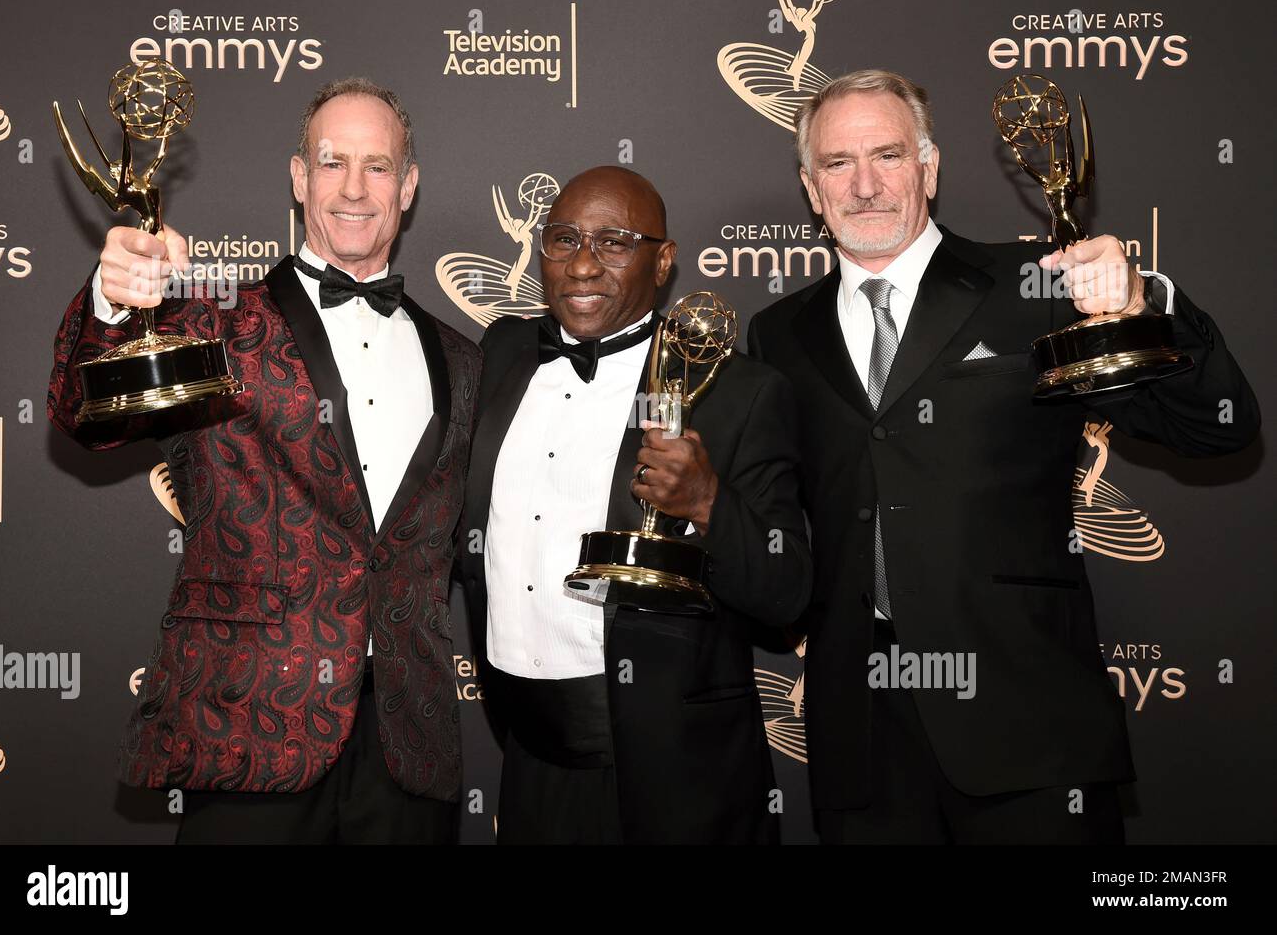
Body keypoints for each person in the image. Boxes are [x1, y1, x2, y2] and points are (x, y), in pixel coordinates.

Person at [748, 69, 1260, 844]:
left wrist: (1146, 304)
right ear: (810, 188)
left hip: (1027, 715)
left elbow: (1215, 429)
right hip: (863, 732)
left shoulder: (1032, 288)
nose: (864, 185)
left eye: (886, 155)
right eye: (836, 165)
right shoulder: (777, 333)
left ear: (929, 166)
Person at [46, 77, 480, 844]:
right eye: (331, 161)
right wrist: (115, 300)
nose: (353, 187)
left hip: (408, 746)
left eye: (378, 166)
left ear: (408, 187)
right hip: (248, 729)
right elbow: (84, 414)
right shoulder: (210, 321)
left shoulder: (462, 359)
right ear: (297, 176)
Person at [460, 166, 811, 844]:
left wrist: (710, 503)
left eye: (615, 242)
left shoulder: (740, 394)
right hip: (528, 760)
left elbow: (788, 592)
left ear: (665, 261)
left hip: (678, 772)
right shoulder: (503, 354)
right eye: (563, 240)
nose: (583, 265)